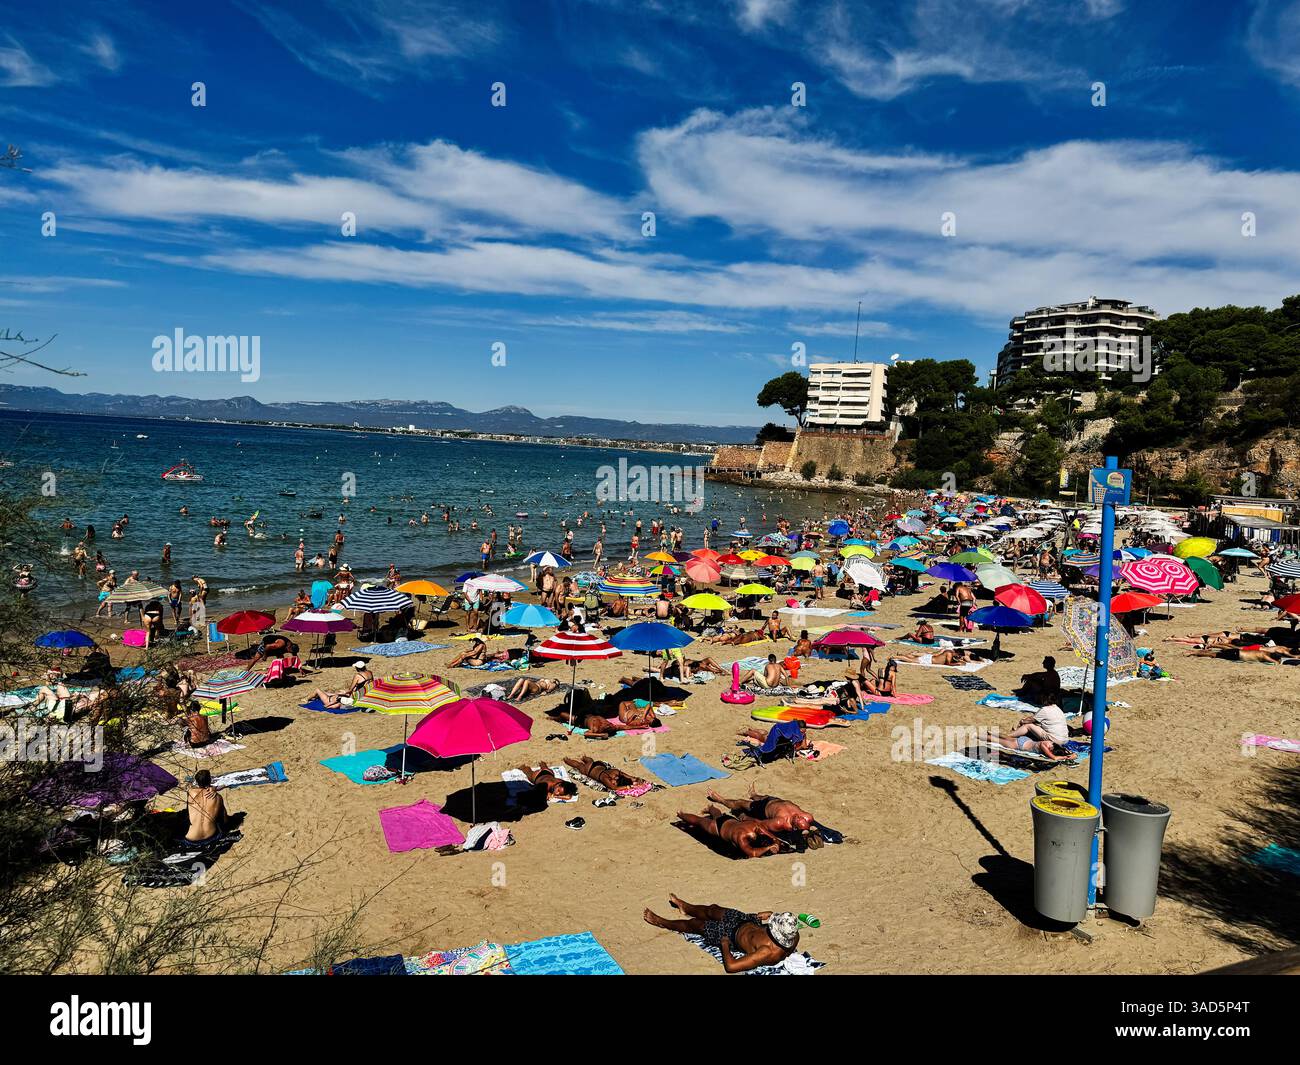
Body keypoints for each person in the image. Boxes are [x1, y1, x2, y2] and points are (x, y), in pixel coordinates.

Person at [643, 897, 801, 973]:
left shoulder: (766, 952)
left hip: (730, 936)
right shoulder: (793, 935)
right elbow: (783, 925)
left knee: (695, 925)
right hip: (745, 920)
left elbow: (731, 967)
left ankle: (661, 922)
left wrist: (724, 944)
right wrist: (771, 916)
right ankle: (686, 907)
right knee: (712, 909)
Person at [675, 806, 784, 858]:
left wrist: (775, 844)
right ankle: (681, 814)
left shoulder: (756, 826)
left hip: (729, 820)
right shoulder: (741, 836)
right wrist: (768, 848)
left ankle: (710, 808)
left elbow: (775, 838)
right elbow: (752, 853)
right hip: (718, 827)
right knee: (700, 821)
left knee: (718, 815)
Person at [706, 786, 816, 835]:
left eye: (797, 819)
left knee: (739, 803)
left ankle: (720, 799)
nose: (798, 816)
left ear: (794, 826)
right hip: (776, 800)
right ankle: (753, 795)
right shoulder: (808, 817)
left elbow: (761, 823)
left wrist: (745, 818)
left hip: (762, 809)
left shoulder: (780, 822)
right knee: (763, 797)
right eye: (801, 818)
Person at [184, 769, 228, 844]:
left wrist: (214, 788)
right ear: (210, 780)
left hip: (191, 838)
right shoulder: (218, 797)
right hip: (211, 836)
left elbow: (188, 786)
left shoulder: (191, 792)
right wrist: (214, 788)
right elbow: (225, 820)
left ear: (197, 782)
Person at [563, 755, 647, 791]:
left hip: (599, 765)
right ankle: (567, 760)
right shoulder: (605, 778)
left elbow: (630, 777)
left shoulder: (616, 772)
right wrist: (629, 786)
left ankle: (584, 757)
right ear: (617, 780)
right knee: (578, 765)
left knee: (590, 761)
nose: (613, 783)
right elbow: (614, 788)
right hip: (589, 770)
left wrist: (636, 780)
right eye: (615, 783)